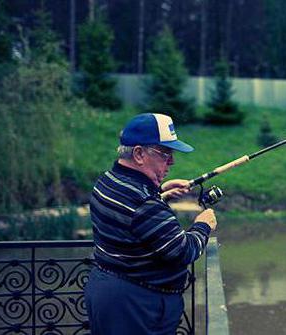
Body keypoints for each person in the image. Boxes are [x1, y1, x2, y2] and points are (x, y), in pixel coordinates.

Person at [84, 113, 217, 335]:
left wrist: (160, 193)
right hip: (136, 305)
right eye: (165, 153)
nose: (172, 161)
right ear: (139, 154)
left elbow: (131, 217)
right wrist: (203, 225)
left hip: (108, 290)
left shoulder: (107, 181)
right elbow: (183, 251)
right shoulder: (144, 204)